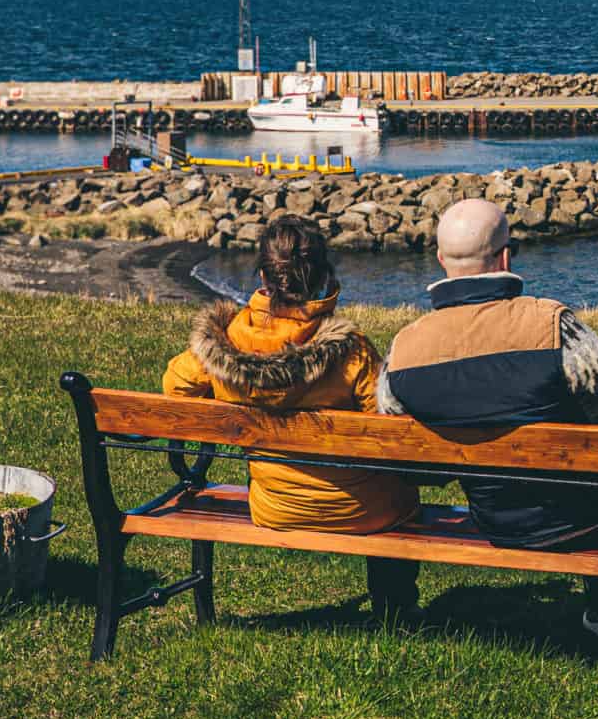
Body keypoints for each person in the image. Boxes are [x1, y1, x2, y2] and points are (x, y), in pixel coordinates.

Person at [376, 196, 598, 644]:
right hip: (586, 520)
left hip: (493, 517)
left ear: (441, 261)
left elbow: (401, 447)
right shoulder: (555, 328)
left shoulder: (405, 351)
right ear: (505, 256)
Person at [162, 214, 417, 535]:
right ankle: (391, 588)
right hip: (363, 509)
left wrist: (231, 391)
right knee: (399, 495)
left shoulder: (224, 343)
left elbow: (175, 386)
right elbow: (385, 428)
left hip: (275, 507)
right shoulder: (352, 350)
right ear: (323, 275)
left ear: (263, 276)